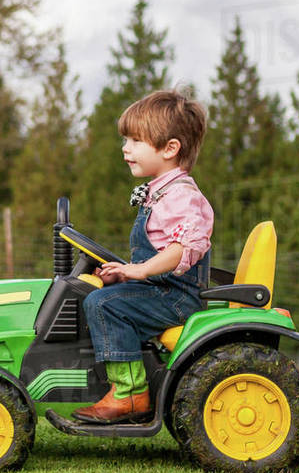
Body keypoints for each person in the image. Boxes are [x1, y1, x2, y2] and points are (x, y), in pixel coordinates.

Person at [71, 89, 213, 425]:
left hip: (175, 297)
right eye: (126, 140)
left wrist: (140, 270)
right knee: (103, 295)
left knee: (102, 304)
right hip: (161, 289)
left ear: (169, 148)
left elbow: (185, 247)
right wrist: (125, 272)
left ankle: (130, 393)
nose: (126, 148)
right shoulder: (161, 193)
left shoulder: (181, 196)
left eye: (135, 140)